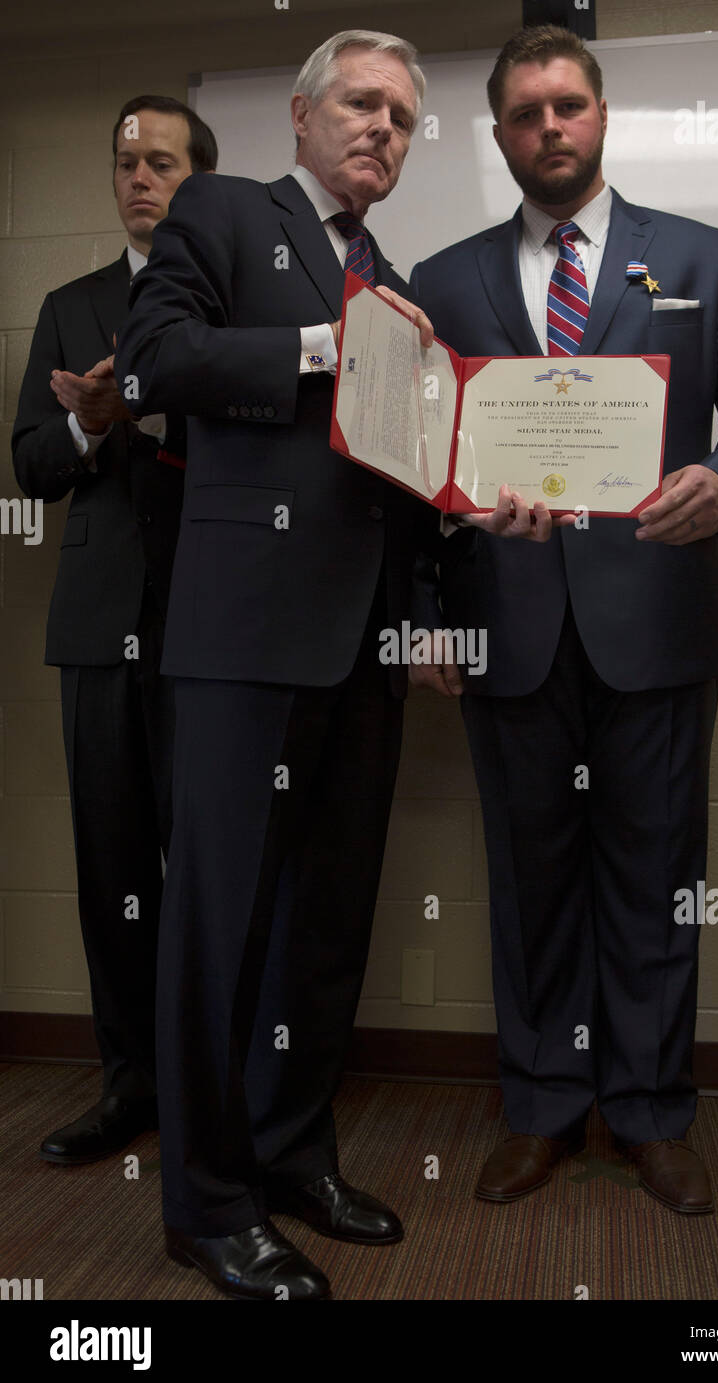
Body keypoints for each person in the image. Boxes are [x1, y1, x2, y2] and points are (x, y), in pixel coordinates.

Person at [115, 29, 561, 1303]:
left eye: (406, 119)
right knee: (216, 927)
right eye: (362, 105)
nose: (383, 129)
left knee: (323, 921)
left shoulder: (392, 276)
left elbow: (402, 475)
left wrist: (471, 512)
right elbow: (154, 365)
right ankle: (203, 1207)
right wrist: (324, 346)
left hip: (362, 648)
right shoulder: (220, 212)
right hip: (242, 641)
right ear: (302, 115)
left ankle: (291, 1153)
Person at [410, 25, 718, 1216]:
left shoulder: (694, 254)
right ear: (497, 134)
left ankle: (644, 1113)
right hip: (508, 626)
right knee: (529, 883)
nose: (550, 128)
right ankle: (539, 1108)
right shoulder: (443, 279)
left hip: (657, 619)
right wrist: (429, 613)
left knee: (652, 878)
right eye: (525, 112)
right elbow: (414, 466)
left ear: (600, 115)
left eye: (568, 106)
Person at [12, 96, 217, 1166]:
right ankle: (126, 1085)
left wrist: (161, 407)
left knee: (211, 871)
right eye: (126, 162)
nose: (140, 177)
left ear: (201, 181)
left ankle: (208, 1092)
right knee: (112, 868)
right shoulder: (69, 303)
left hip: (210, 625)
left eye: (163, 162)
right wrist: (89, 423)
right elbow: (30, 466)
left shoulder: (231, 302)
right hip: (98, 628)